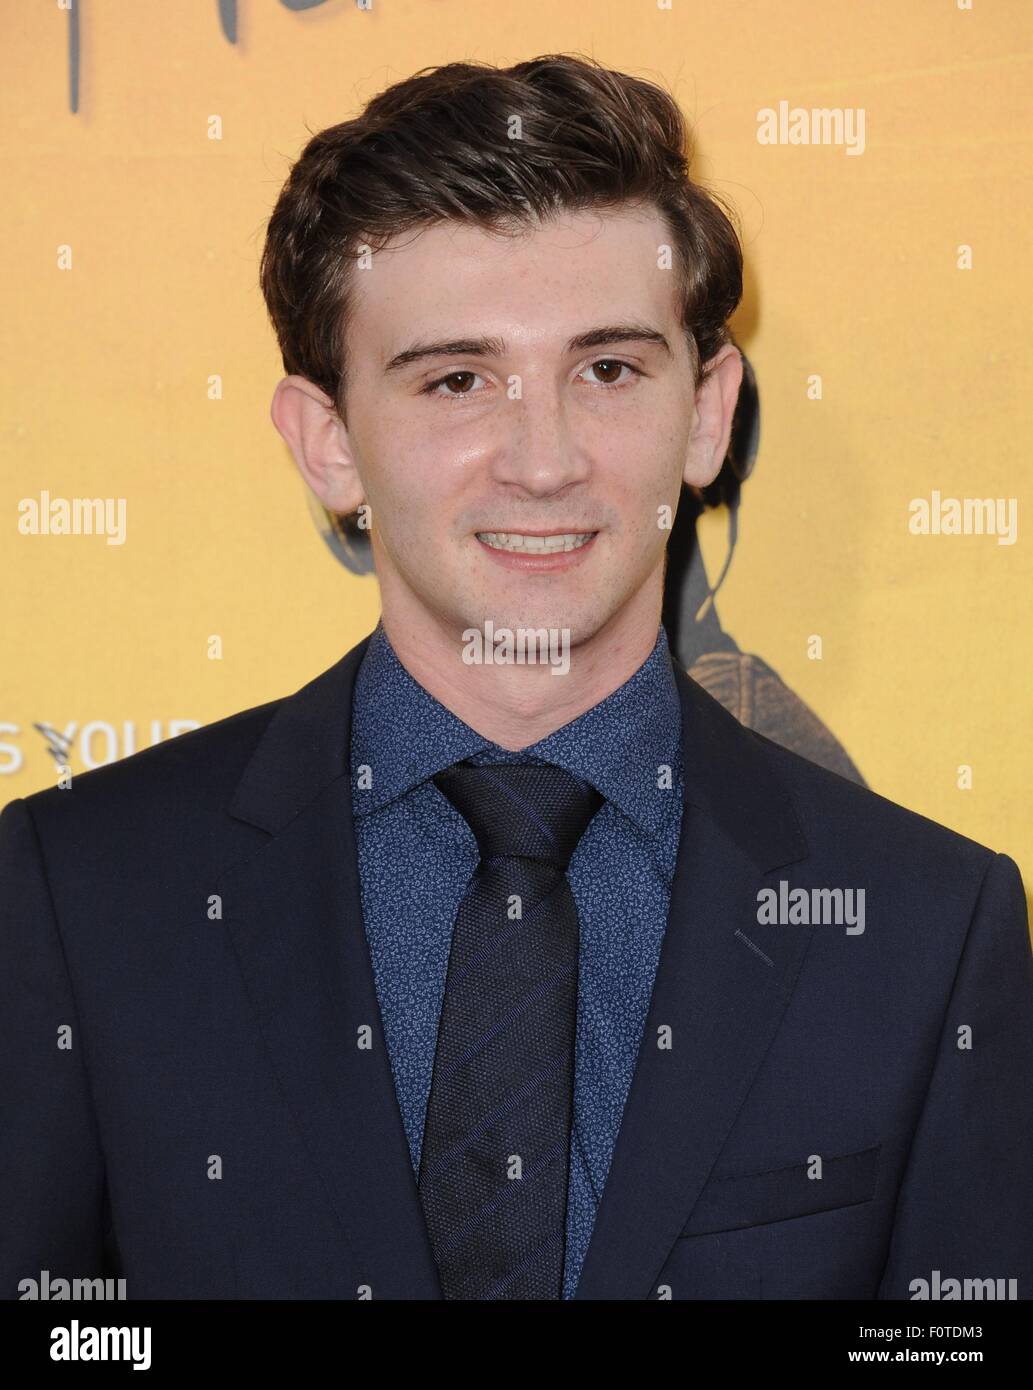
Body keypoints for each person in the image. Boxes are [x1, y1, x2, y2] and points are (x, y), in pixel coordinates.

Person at [2, 54, 1031, 1302]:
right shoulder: (84, 892)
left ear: (706, 414)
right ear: (328, 444)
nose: (544, 462)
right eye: (456, 380)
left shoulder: (924, 923)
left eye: (607, 370)